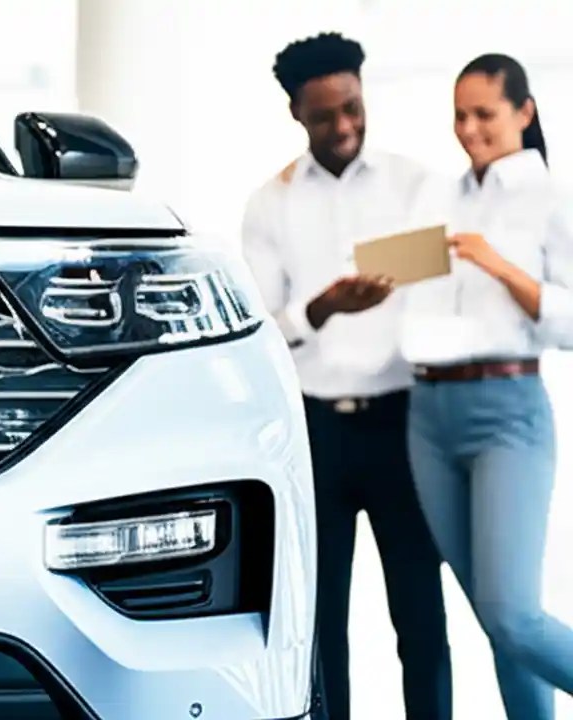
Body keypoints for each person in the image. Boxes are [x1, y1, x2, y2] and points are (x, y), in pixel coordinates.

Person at [241, 32, 452, 720]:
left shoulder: (414, 185)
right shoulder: (268, 205)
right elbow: (263, 332)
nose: (343, 126)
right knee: (320, 618)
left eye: (353, 108)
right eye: (325, 115)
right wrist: (322, 308)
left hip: (403, 424)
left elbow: (449, 294)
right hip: (314, 435)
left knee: (420, 614)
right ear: (296, 113)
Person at [398, 52, 573, 720]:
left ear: (524, 112)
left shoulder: (550, 197)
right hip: (427, 416)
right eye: (459, 116)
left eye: (484, 114)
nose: (469, 129)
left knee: (514, 615)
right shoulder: (440, 196)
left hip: (507, 412)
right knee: (496, 623)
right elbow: (409, 293)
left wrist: (498, 264)